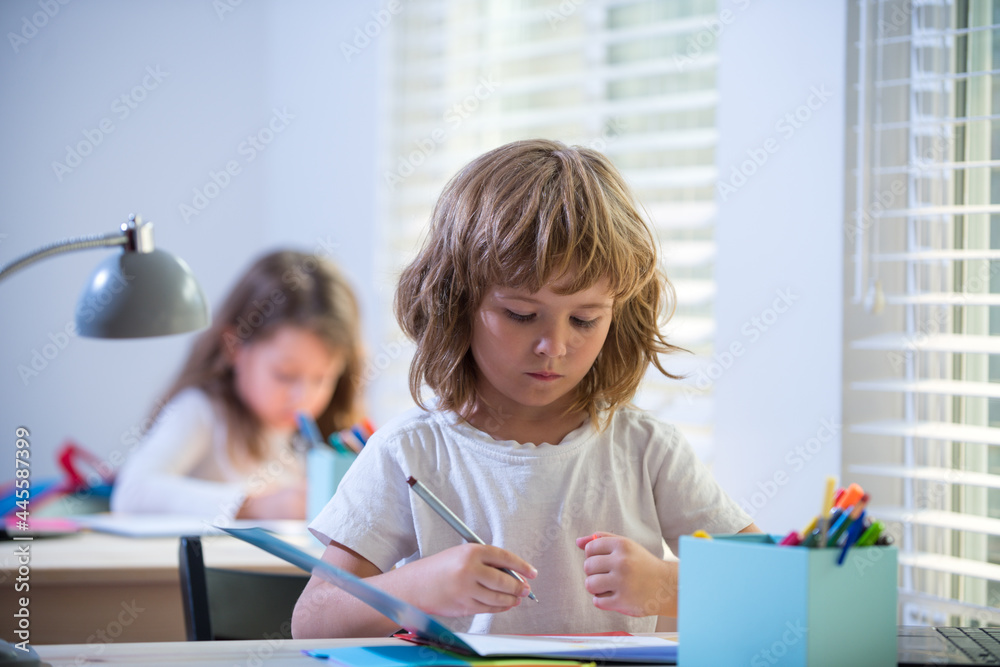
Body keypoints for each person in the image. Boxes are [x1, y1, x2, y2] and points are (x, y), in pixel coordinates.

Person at [292, 139, 759, 638]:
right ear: (455, 303)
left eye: (584, 319)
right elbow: (313, 621)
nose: (553, 346)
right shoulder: (410, 450)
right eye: (520, 314)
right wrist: (418, 586)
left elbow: (766, 590)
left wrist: (668, 586)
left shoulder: (646, 450)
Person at [111, 250, 364, 521]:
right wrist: (253, 506)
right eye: (285, 375)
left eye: (322, 378)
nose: (303, 397)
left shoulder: (323, 438)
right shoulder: (202, 411)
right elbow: (132, 493)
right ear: (234, 346)